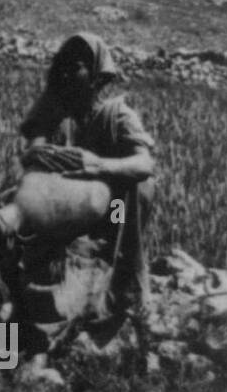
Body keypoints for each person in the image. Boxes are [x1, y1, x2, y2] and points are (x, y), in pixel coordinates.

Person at [18, 31, 156, 317]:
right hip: (68, 206)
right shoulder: (55, 111)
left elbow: (145, 165)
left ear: (96, 75)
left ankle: (126, 280)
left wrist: (98, 165)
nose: (67, 73)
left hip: (114, 210)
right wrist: (38, 153)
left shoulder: (117, 115)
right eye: (63, 64)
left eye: (76, 66)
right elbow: (35, 140)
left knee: (138, 188)